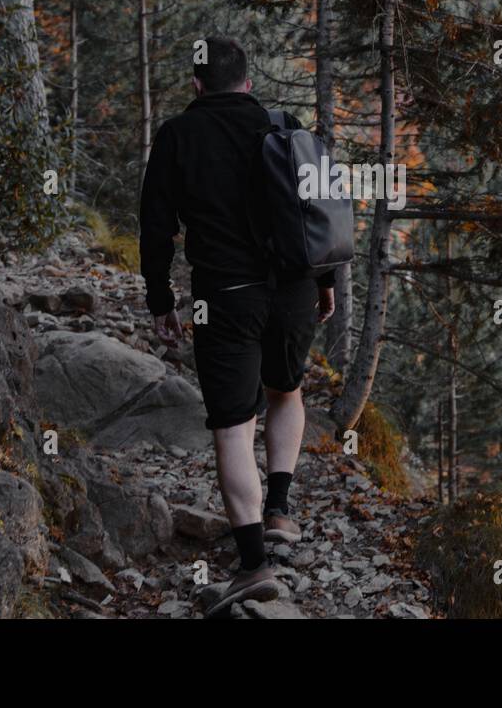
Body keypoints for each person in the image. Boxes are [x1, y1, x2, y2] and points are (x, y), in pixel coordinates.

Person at [139, 36, 336, 616]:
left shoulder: (177, 135)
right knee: (287, 390)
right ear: (247, 83)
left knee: (231, 426)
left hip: (224, 296)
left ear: (197, 85)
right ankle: (281, 509)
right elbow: (317, 209)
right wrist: (324, 281)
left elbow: (156, 227)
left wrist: (161, 299)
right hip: (294, 287)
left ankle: (253, 565)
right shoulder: (283, 124)